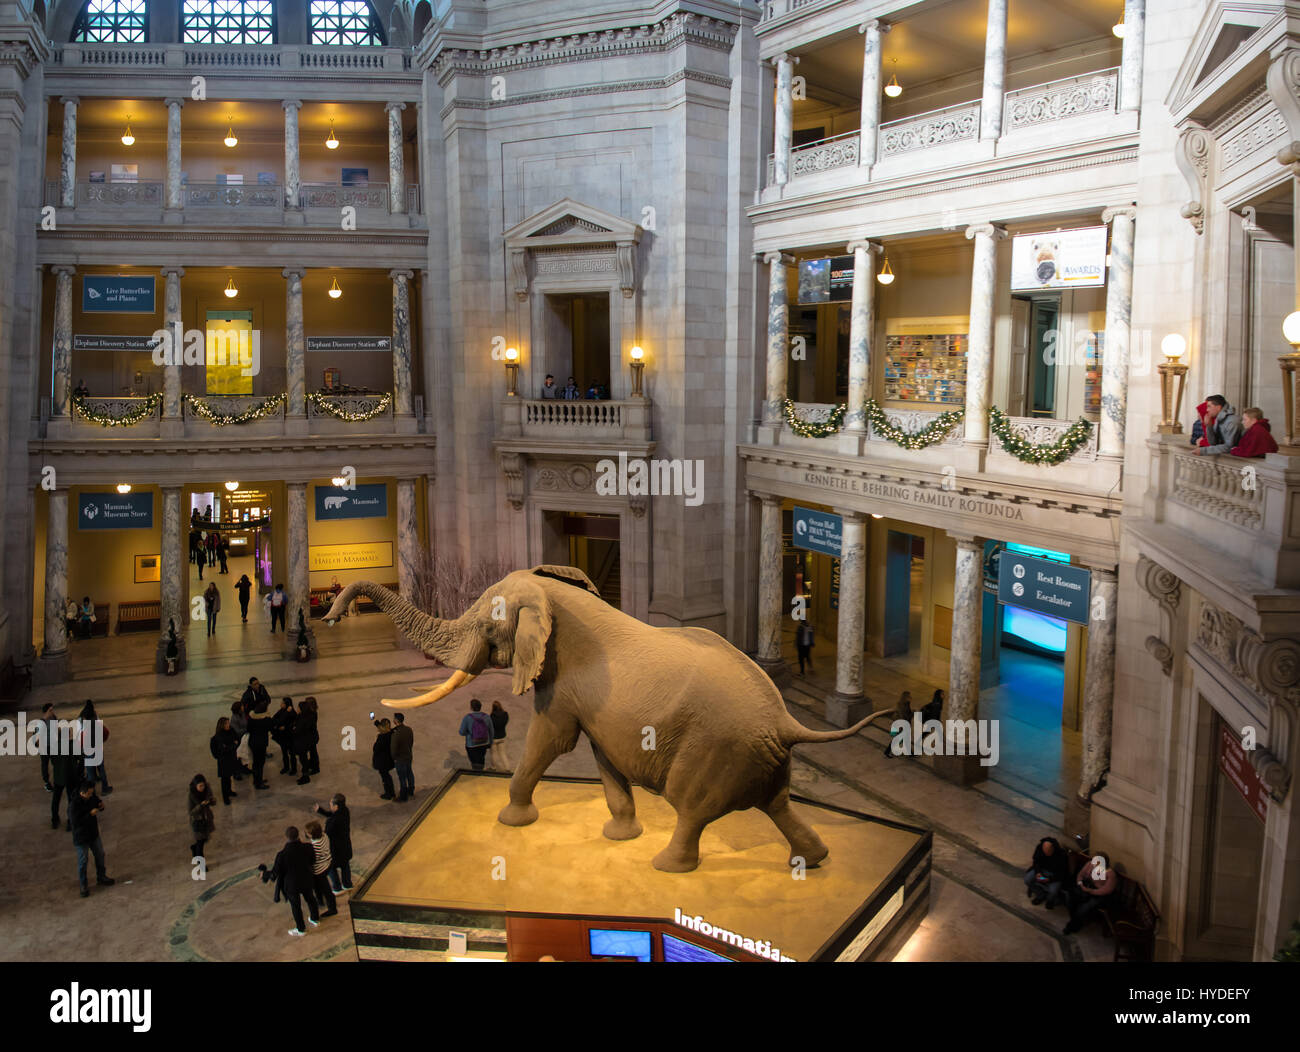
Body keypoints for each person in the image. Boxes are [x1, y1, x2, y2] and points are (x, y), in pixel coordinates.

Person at [265, 826, 320, 937]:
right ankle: (315, 918)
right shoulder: (308, 847)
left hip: (292, 884)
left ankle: (301, 929)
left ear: (287, 837)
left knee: (296, 906)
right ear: (298, 835)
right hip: (306, 880)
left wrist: (266, 875)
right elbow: (313, 860)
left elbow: (276, 872)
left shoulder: (282, 855)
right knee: (311, 899)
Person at [70, 780, 114, 898]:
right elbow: (75, 822)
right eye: (89, 793)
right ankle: (83, 885)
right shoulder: (74, 804)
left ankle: (101, 876)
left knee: (100, 854)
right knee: (83, 861)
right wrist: (90, 814)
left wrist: (100, 805)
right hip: (81, 837)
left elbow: (97, 802)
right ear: (82, 793)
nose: (91, 795)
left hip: (93, 833)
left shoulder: (91, 797)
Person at [1065, 851, 1119, 935]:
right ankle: (1075, 922)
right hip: (1086, 887)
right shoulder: (1090, 864)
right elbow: (1080, 875)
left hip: (1099, 894)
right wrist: (1080, 884)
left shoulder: (1110, 874)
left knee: (1084, 908)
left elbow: (1106, 890)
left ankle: (1072, 925)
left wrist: (1091, 891)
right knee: (1070, 898)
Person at [313, 794, 353, 893]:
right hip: (345, 846)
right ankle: (347, 884)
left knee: (331, 867)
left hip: (335, 848)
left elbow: (327, 834)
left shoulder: (334, 821)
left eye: (331, 805)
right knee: (345, 865)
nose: (330, 806)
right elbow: (332, 814)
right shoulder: (344, 811)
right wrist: (321, 811)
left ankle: (337, 887)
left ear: (336, 806)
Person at [1024, 836, 1070, 909]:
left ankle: (1050, 900)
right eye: (1044, 852)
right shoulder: (1039, 848)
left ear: (1053, 848)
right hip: (1041, 870)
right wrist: (1038, 872)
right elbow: (1036, 861)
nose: (1046, 854)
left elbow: (1062, 873)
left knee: (1053, 891)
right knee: (1027, 880)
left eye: (1048, 852)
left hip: (1054, 875)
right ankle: (1040, 895)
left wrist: (1050, 879)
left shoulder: (1062, 855)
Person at [304, 821, 338, 917]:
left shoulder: (315, 846)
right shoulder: (324, 836)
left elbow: (312, 859)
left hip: (319, 869)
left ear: (311, 834)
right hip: (328, 863)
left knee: (326, 889)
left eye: (307, 833)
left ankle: (332, 908)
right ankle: (320, 900)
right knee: (318, 885)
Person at [50, 733, 83, 831]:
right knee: (71, 800)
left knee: (56, 799)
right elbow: (81, 759)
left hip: (58, 777)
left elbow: (53, 761)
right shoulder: (73, 745)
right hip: (71, 776)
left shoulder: (55, 746)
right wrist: (79, 772)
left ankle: (54, 820)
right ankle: (70, 822)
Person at [78, 699, 112, 794]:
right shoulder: (96, 719)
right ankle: (105, 788)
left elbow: (79, 737)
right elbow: (105, 732)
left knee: (90, 772)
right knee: (101, 768)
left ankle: (91, 792)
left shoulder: (81, 720)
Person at [245, 690, 273, 790]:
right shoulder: (266, 720)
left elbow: (248, 729)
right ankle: (259, 783)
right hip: (261, 744)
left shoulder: (251, 718)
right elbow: (271, 727)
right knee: (260, 763)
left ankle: (257, 780)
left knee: (255, 763)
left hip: (253, 742)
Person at [209, 716, 240, 805]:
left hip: (231, 758)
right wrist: (232, 745)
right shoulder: (218, 737)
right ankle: (225, 797)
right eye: (226, 723)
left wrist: (231, 746)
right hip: (224, 761)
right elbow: (222, 750)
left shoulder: (231, 730)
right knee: (224, 779)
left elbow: (237, 739)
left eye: (228, 723)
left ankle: (229, 791)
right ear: (222, 725)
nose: (228, 725)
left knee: (229, 776)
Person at [459, 699, 494, 772]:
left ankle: (476, 774)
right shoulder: (487, 716)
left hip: (472, 744)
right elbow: (491, 731)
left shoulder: (467, 717)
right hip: (484, 743)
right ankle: (480, 772)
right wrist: (490, 742)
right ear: (480, 707)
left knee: (474, 762)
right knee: (481, 760)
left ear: (471, 707)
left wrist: (470, 733)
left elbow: (462, 732)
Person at [189, 774, 216, 862]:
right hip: (198, 822)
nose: (202, 788)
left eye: (203, 785)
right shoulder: (192, 795)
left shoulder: (207, 790)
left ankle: (194, 848)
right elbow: (191, 812)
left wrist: (212, 801)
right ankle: (201, 864)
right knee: (200, 843)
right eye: (200, 786)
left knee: (204, 839)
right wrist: (201, 805)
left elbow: (213, 801)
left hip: (206, 819)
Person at [293, 697, 320, 785]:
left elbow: (299, 729)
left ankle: (308, 772)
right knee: (313, 752)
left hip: (308, 739)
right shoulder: (312, 713)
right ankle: (315, 767)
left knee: (306, 756)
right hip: (312, 737)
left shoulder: (307, 716)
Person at [390, 712, 415, 800]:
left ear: (396, 720)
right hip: (408, 756)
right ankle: (411, 790)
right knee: (409, 773)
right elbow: (411, 742)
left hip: (400, 759)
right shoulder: (409, 729)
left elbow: (393, 749)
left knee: (402, 778)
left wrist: (394, 758)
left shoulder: (396, 734)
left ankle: (403, 796)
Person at [272, 697, 298, 775]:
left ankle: (294, 769)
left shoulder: (292, 713)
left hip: (290, 736)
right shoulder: (281, 711)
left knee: (292, 754)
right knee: (284, 753)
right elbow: (275, 719)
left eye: (282, 703)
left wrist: (285, 726)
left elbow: (294, 723)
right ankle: (286, 767)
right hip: (282, 736)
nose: (281, 704)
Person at [372, 718, 396, 799]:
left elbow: (375, 749)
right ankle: (391, 793)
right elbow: (385, 728)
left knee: (385, 777)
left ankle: (389, 793)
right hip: (389, 759)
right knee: (387, 776)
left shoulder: (381, 738)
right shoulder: (392, 733)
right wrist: (377, 723)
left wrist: (375, 740)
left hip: (382, 762)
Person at [884, 692, 913, 758]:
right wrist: (912, 714)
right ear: (905, 698)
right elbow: (904, 716)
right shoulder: (903, 706)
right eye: (909, 696)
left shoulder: (905, 704)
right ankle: (887, 751)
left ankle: (910, 753)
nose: (911, 697)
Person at [489, 700, 510, 771]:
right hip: (502, 736)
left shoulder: (491, 716)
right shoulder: (505, 714)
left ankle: (493, 767)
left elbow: (490, 726)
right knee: (503, 753)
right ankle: (507, 768)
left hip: (494, 738)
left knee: (493, 754)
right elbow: (505, 722)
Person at [39, 703, 56, 790]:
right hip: (44, 747)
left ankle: (57, 779)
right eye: (50, 710)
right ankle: (46, 782)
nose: (52, 711)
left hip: (53, 745)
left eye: (52, 710)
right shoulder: (41, 722)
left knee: (56, 762)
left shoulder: (53, 718)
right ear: (46, 711)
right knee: (45, 765)